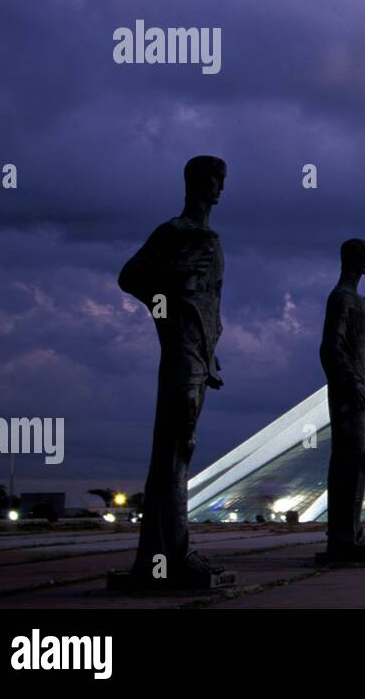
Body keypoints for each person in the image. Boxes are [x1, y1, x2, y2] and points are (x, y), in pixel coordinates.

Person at [118, 155, 229, 587]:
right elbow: (131, 277)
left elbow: (209, 304)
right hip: (180, 352)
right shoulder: (174, 233)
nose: (219, 188)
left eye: (222, 180)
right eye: (213, 180)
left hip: (201, 354)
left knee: (182, 448)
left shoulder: (212, 240)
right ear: (193, 182)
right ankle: (165, 558)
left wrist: (211, 350)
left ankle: (167, 553)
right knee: (174, 446)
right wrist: (170, 288)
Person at [319, 238, 365, 563]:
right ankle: (344, 538)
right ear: (348, 258)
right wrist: (351, 386)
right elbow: (330, 348)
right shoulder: (342, 299)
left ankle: (352, 534)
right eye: (364, 256)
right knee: (350, 458)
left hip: (357, 393)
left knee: (359, 458)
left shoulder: (359, 299)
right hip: (347, 392)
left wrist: (364, 397)